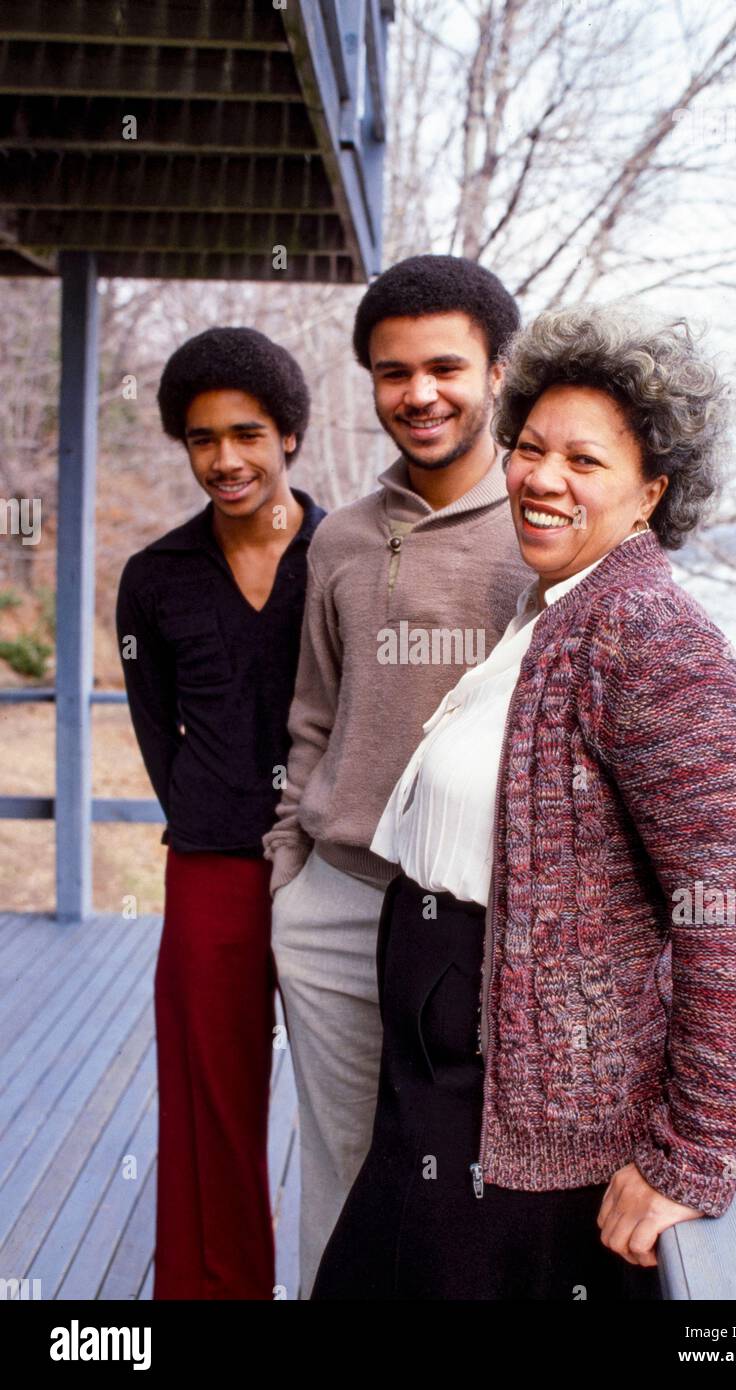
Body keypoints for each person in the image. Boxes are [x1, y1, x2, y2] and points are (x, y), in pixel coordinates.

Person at [311, 302, 736, 1301]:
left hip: (515, 1112)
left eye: (584, 462)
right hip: (438, 1079)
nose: (540, 478)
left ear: (651, 491)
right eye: (528, 448)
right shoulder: (549, 609)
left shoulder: (647, 631)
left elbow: (730, 907)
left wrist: (694, 1151)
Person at [262, 254, 532, 1298]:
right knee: (334, 1171)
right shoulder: (337, 537)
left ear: (496, 371)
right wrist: (289, 872)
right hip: (333, 901)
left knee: (451, 1195)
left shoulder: (539, 529)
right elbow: (313, 718)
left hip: (470, 920)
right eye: (391, 372)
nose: (417, 393)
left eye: (443, 367)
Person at [115, 327, 326, 1299]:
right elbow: (157, 729)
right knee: (211, 1108)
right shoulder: (153, 578)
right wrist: (211, 810)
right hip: (209, 866)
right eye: (202, 438)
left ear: (288, 432)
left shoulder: (347, 554)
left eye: (246, 432)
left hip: (336, 866)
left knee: (356, 1104)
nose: (225, 459)